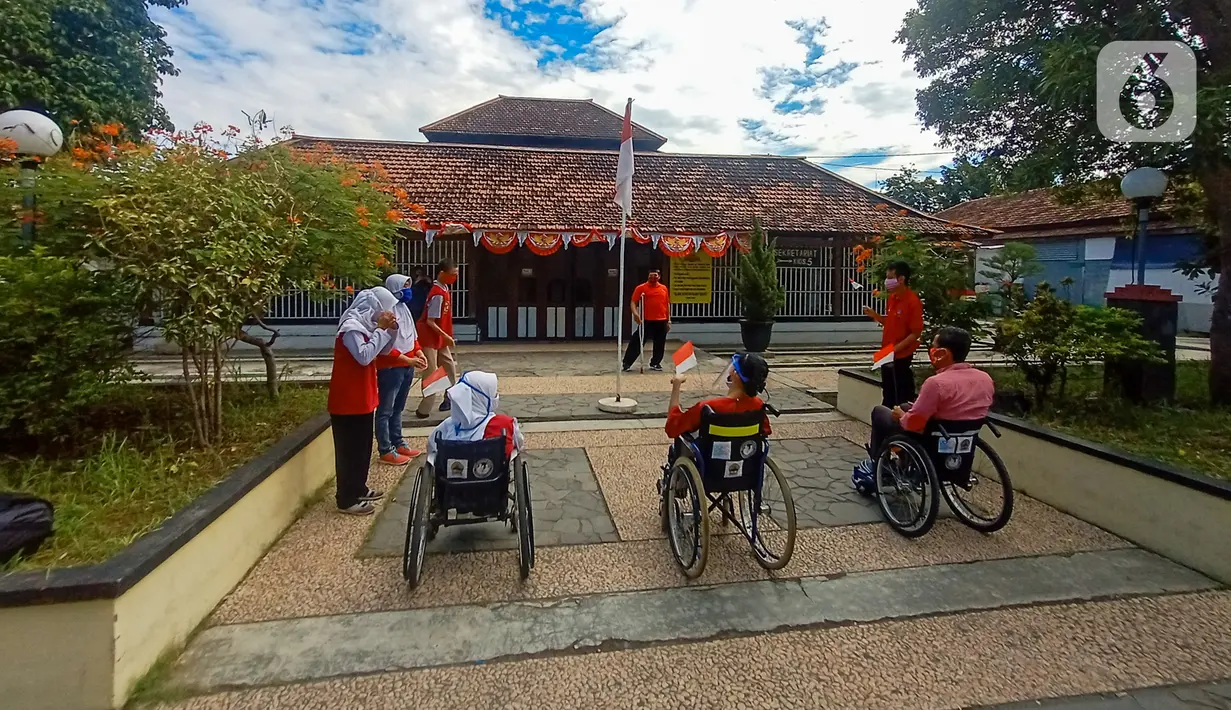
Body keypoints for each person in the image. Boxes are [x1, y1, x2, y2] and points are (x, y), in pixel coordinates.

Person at [851, 326, 995, 495]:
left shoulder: (937, 383)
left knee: (880, 412)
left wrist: (902, 416)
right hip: (965, 433)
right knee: (906, 405)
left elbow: (913, 423)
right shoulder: (984, 378)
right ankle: (903, 463)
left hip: (932, 436)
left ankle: (878, 463)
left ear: (943, 353)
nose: (930, 350)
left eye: (933, 346)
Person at [329, 286, 405, 516]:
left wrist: (390, 331)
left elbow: (382, 351)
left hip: (363, 395)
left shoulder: (367, 328)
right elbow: (363, 356)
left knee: (362, 446)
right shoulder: (351, 328)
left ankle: (359, 487)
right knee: (348, 449)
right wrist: (381, 330)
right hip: (347, 397)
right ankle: (346, 497)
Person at [374, 274, 429, 465]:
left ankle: (398, 442)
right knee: (385, 410)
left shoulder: (404, 308)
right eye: (404, 286)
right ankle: (385, 448)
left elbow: (411, 336)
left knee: (398, 408)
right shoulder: (386, 310)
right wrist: (408, 359)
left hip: (407, 365)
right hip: (391, 366)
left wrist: (419, 352)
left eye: (408, 285)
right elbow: (384, 344)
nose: (408, 290)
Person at [665, 352, 772, 440]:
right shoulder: (758, 405)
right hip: (746, 459)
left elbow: (672, 428)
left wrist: (676, 385)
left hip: (710, 461)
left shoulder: (709, 407)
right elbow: (765, 431)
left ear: (735, 374)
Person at [426, 371, 525, 467]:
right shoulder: (504, 423)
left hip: (450, 480)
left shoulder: (446, 426)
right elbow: (519, 442)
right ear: (483, 397)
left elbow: (431, 449)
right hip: (492, 478)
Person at [863, 261, 924, 408]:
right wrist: (875, 315)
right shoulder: (892, 299)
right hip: (887, 352)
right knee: (888, 391)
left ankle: (900, 422)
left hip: (901, 355)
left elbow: (915, 333)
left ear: (901, 279)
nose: (887, 281)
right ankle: (886, 419)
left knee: (900, 394)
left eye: (890, 277)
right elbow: (890, 323)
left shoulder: (912, 302)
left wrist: (895, 349)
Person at [414, 258, 460, 418]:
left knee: (450, 367)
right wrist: (446, 335)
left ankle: (451, 397)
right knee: (432, 373)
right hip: (429, 337)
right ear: (442, 273)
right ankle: (424, 409)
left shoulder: (445, 289)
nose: (455, 277)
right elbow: (430, 321)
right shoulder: (437, 294)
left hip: (440, 337)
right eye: (452, 274)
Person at [623, 269, 671, 372]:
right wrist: (635, 314)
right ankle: (627, 362)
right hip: (647, 320)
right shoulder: (641, 288)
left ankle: (655, 363)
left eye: (655, 276)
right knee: (637, 341)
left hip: (661, 320)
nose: (653, 278)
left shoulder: (663, 288)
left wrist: (669, 320)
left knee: (660, 343)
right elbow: (633, 302)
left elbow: (667, 304)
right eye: (651, 276)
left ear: (659, 277)